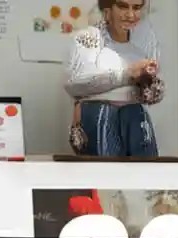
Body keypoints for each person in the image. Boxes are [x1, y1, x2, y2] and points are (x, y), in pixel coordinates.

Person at [65, 0, 165, 158]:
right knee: (108, 170)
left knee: (145, 169)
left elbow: (154, 95)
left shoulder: (145, 42)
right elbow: (75, 84)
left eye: (136, 8)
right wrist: (127, 75)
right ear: (107, 10)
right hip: (99, 116)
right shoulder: (89, 38)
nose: (131, 15)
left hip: (134, 119)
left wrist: (148, 84)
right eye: (123, 6)